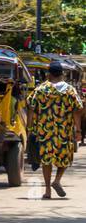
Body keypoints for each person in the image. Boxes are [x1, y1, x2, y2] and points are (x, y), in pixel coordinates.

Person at [26, 60, 83, 199]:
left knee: (46, 160)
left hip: (45, 131)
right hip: (64, 131)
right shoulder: (70, 90)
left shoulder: (40, 90)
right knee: (64, 158)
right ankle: (57, 180)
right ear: (62, 74)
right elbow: (77, 110)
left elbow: (31, 108)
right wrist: (78, 130)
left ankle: (47, 191)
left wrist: (30, 127)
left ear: (49, 74)